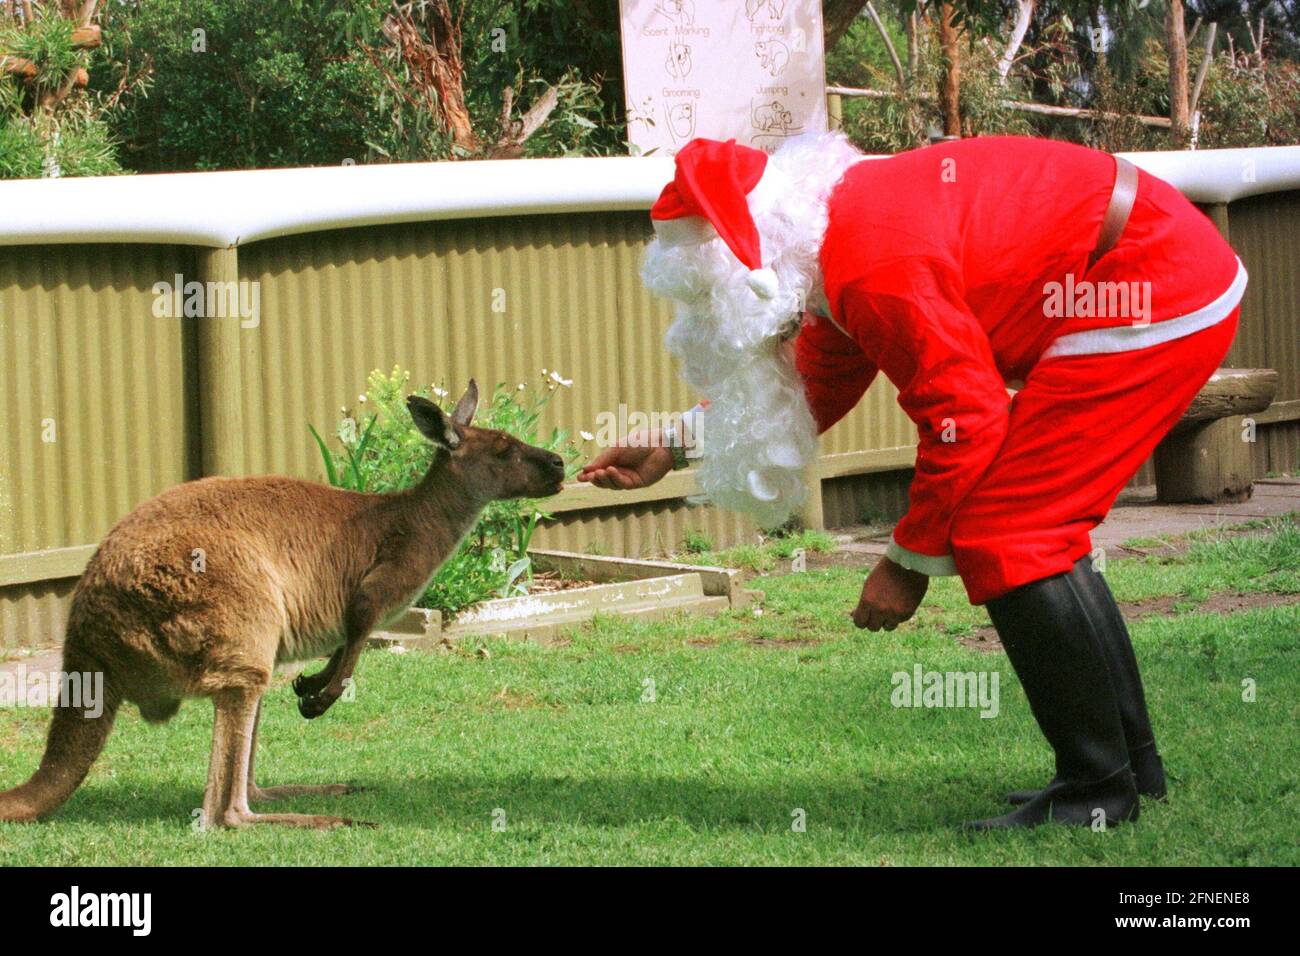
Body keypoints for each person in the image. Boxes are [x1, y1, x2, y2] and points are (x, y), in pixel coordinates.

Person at [577, 132, 1245, 830]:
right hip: (1147, 271)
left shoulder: (869, 262)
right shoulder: (833, 241)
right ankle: (1127, 770)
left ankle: (1096, 789)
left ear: (755, 265)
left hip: (1152, 283)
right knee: (1034, 530)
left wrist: (906, 563)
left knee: (1014, 530)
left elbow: (967, 417)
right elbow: (818, 381)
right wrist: (673, 442)